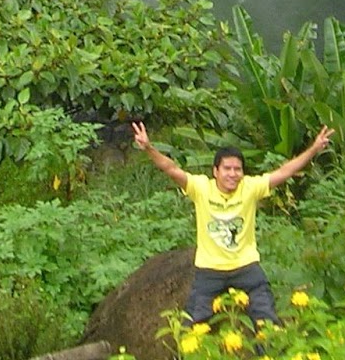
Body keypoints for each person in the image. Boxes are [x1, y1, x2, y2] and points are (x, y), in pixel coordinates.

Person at [131, 120, 333, 324]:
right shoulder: (201, 188)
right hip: (209, 270)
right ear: (215, 171)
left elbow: (284, 172)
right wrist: (148, 148)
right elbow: (172, 169)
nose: (233, 174)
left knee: (267, 318)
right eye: (227, 168)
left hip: (246, 267)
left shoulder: (250, 188)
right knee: (193, 322)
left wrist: (313, 149)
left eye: (238, 169)